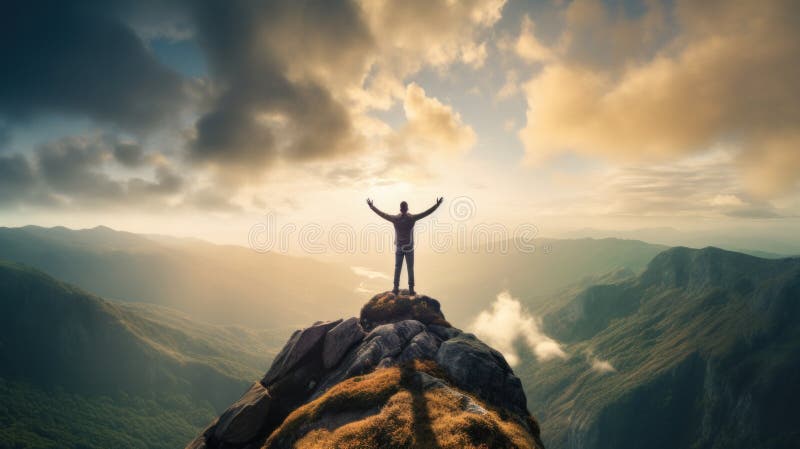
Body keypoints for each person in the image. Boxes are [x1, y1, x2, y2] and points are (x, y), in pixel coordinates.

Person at [366, 197, 444, 296]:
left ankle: (395, 288)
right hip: (409, 248)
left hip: (399, 247)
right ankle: (411, 290)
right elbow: (426, 213)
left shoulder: (395, 219)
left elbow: (382, 214)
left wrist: (372, 207)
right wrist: (437, 205)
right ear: (407, 209)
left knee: (397, 267)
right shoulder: (412, 218)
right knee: (410, 268)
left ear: (400, 209)